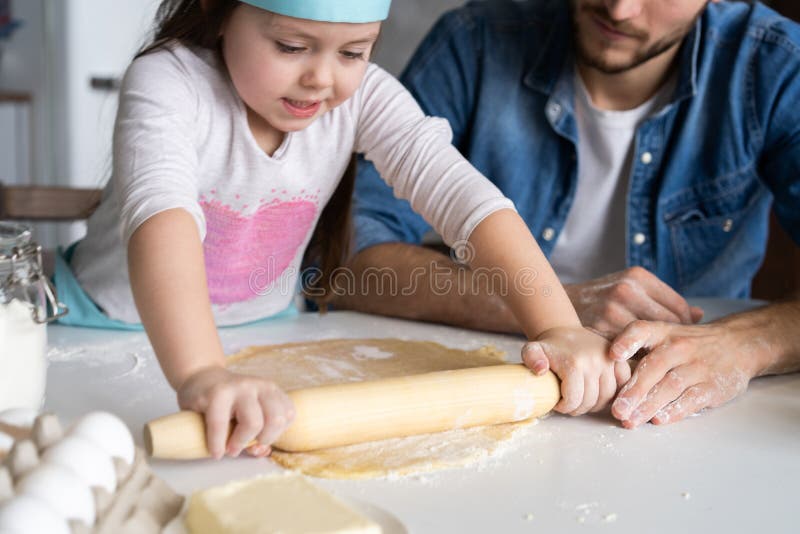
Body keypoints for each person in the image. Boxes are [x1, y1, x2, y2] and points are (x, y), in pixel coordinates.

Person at [52, 0, 626, 459]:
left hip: (267, 332)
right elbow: (163, 219)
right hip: (99, 329)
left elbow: (461, 195)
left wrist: (558, 325)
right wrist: (202, 372)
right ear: (219, 9)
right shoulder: (167, 82)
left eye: (354, 51)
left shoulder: (364, 97)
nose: (320, 79)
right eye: (290, 46)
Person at [340, 0, 800, 427]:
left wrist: (743, 345)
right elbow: (348, 256)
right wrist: (552, 305)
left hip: (689, 419)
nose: (619, 9)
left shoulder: (776, 66)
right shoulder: (477, 39)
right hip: (506, 374)